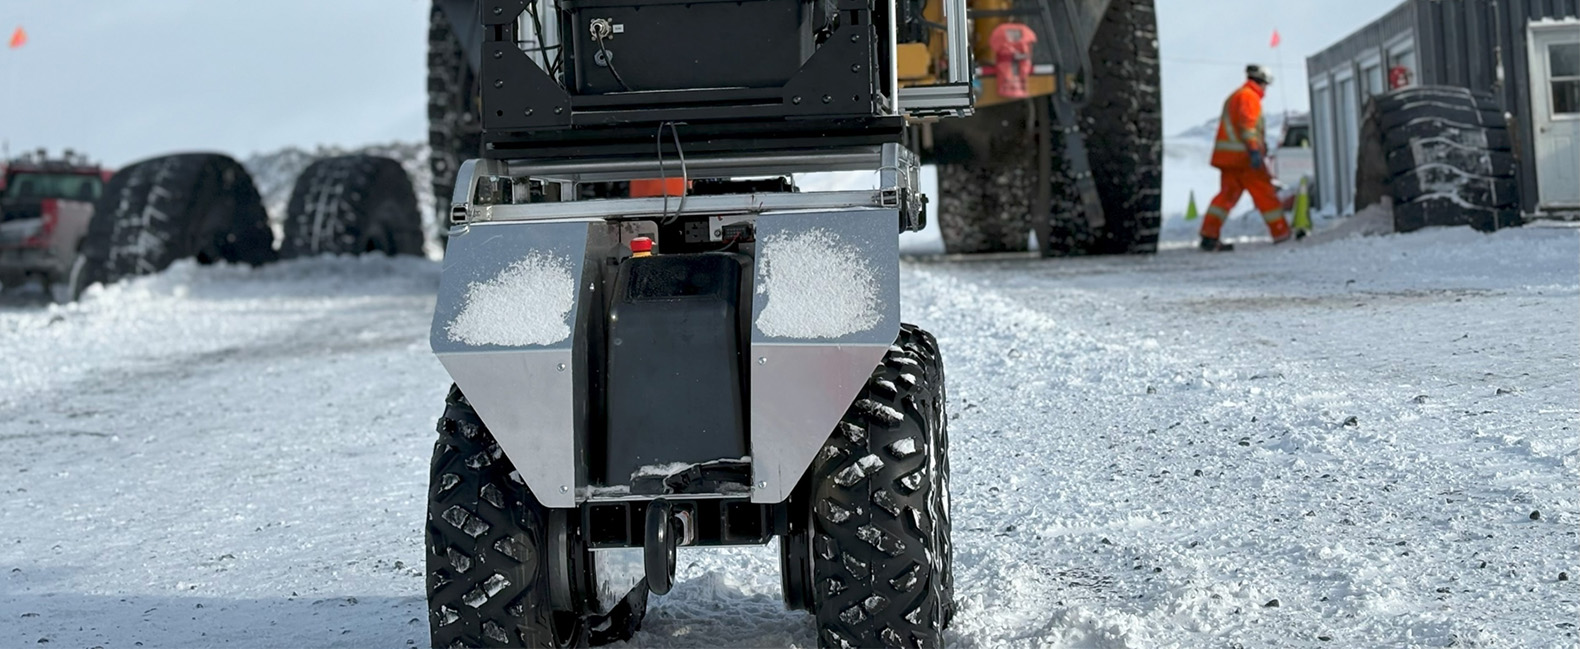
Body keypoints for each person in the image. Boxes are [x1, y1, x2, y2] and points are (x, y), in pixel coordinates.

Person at [1201, 64, 1292, 252]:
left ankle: (1209, 235)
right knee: (1265, 194)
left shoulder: (1237, 95)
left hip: (1230, 159)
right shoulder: (1249, 97)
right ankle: (1281, 233)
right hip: (1244, 159)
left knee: (1225, 197)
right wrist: (1254, 151)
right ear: (1262, 82)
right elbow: (1247, 127)